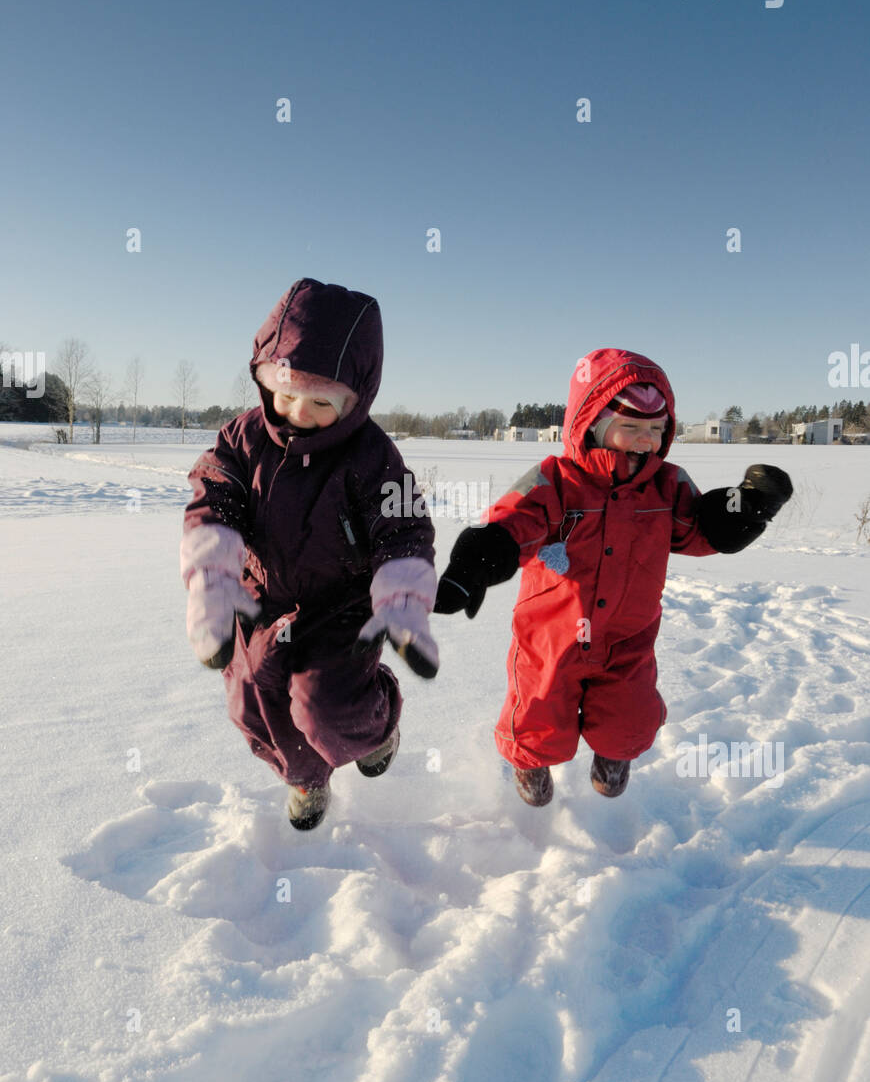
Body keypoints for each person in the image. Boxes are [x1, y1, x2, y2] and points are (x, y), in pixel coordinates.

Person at [434, 348, 792, 806]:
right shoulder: (555, 480)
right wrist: (479, 558)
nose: (646, 441)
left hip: (628, 636)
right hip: (552, 636)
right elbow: (515, 519)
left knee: (631, 717)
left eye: (656, 430)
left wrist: (737, 515)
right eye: (633, 428)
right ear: (594, 424)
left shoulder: (669, 484)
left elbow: (696, 532)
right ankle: (532, 761)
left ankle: (614, 754)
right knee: (537, 718)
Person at [180, 278, 439, 831]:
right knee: (252, 706)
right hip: (261, 603)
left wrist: (402, 599)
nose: (297, 411)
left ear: (356, 398)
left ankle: (379, 726)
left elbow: (403, 526)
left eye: (321, 402)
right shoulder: (242, 438)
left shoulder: (371, 456)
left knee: (326, 708)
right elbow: (213, 498)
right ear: (264, 375)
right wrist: (212, 578)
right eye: (285, 391)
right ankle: (305, 779)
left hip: (341, 609)